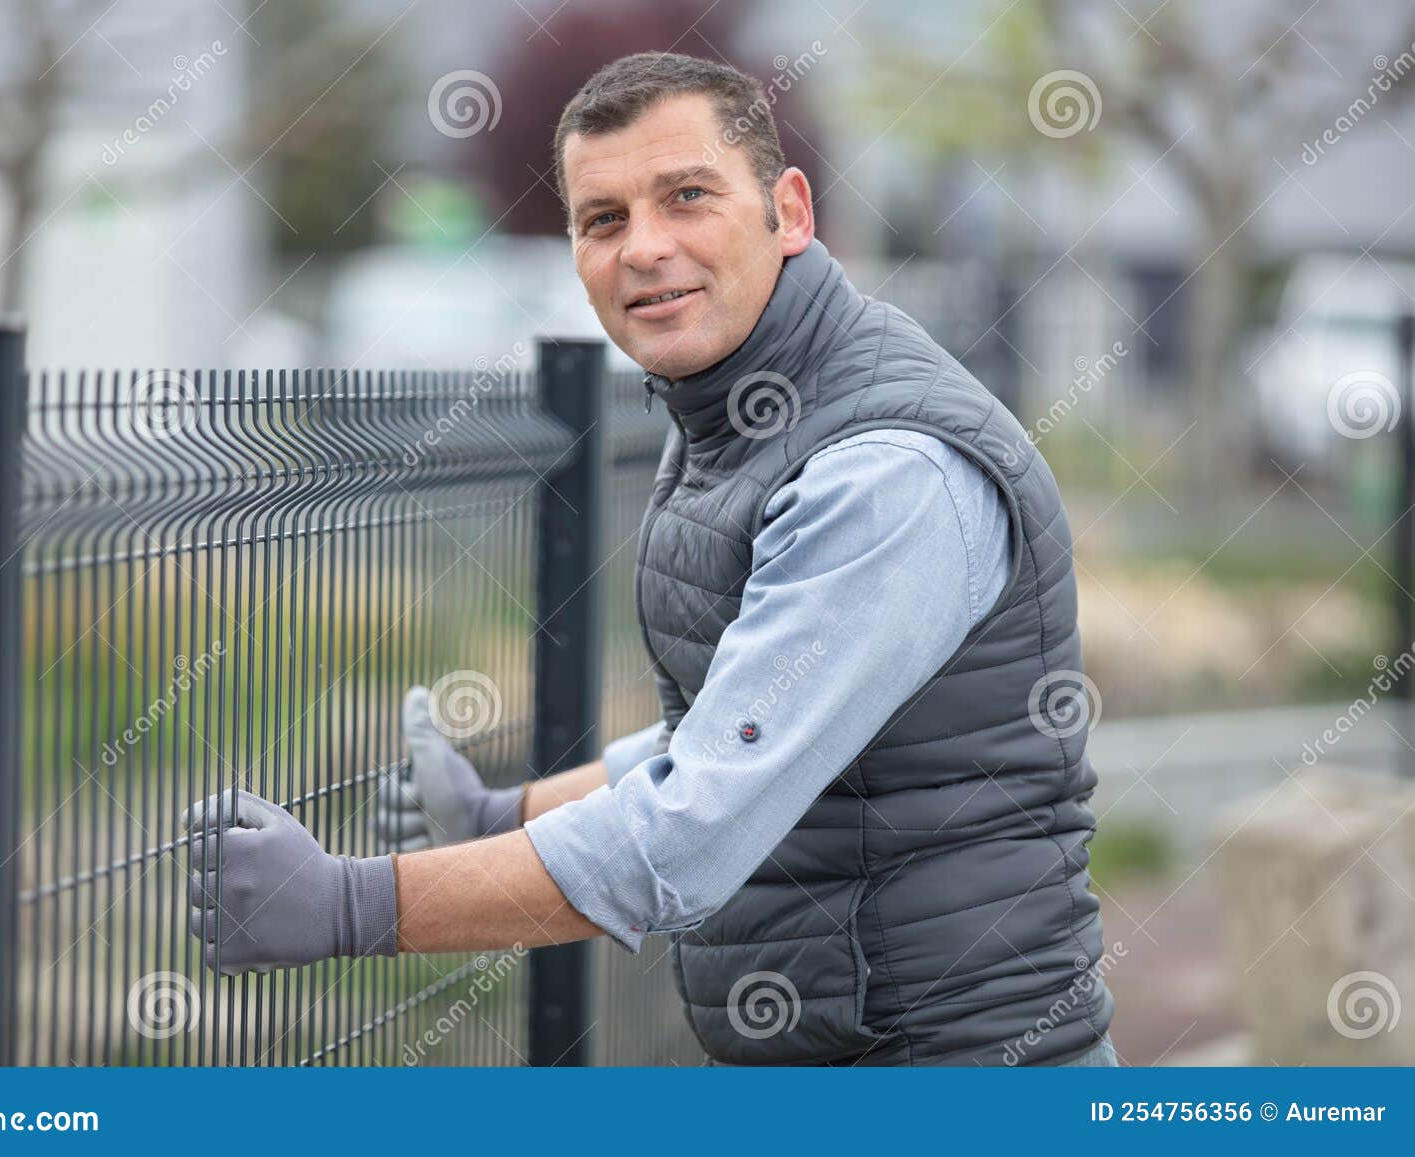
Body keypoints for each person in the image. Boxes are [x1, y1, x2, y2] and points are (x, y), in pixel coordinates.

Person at [182, 51, 1117, 1067]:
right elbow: (734, 731)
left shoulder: (879, 476)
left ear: (788, 211)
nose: (645, 248)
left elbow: (688, 833)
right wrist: (507, 811)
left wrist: (348, 904)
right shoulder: (736, 408)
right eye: (604, 219)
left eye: (687, 197)